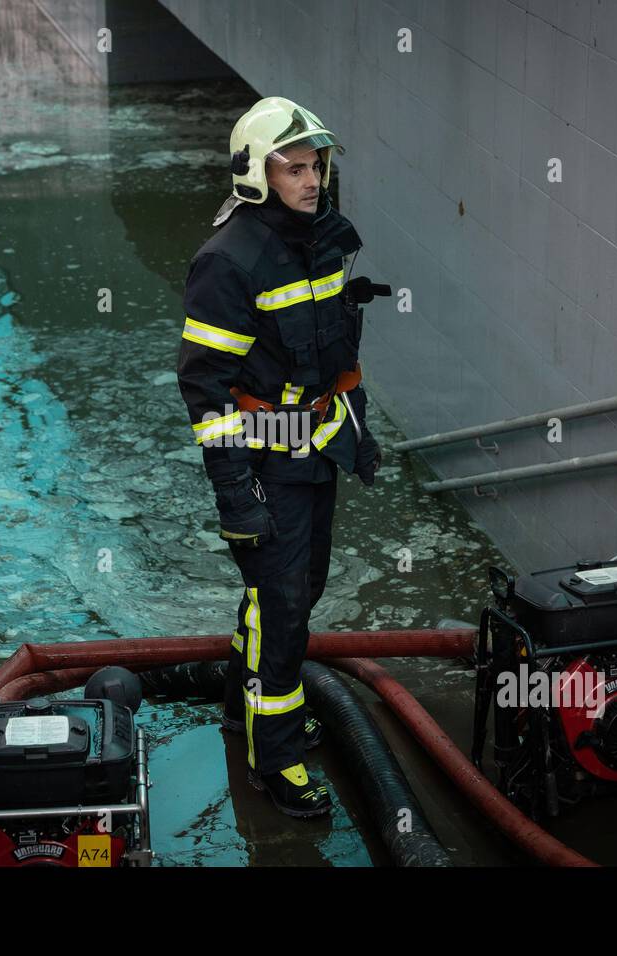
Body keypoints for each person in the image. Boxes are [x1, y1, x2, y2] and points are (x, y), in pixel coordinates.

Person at [176, 96, 387, 818]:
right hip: (264, 467)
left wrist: (357, 424)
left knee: (293, 594)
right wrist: (237, 498)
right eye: (294, 168)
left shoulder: (322, 237)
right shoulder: (229, 261)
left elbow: (336, 352)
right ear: (255, 175)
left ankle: (243, 707)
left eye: (317, 166)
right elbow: (204, 391)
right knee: (284, 608)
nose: (311, 180)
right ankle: (277, 758)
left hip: (314, 453)